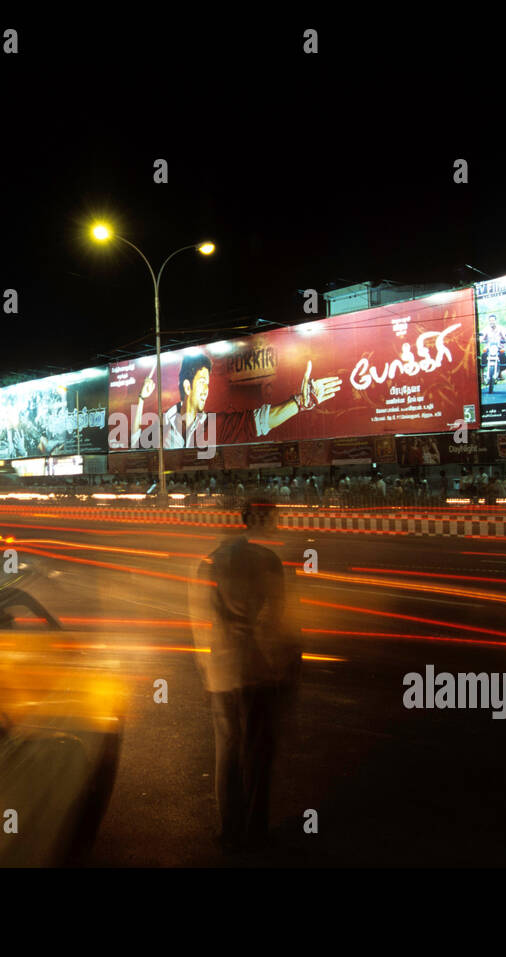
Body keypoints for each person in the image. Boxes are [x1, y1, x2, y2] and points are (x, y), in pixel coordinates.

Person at [192, 497, 301, 853]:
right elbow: (278, 615)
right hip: (258, 671)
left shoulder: (208, 564)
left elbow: (200, 624)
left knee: (227, 752)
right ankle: (255, 831)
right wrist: (282, 661)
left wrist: (209, 667)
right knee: (257, 752)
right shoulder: (267, 561)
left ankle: (229, 830)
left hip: (223, 672)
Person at [131, 352, 342, 450]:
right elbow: (132, 444)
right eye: (202, 382)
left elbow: (259, 420)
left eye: (208, 383)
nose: (207, 389)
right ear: (187, 387)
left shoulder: (216, 425)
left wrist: (298, 403)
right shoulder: (163, 425)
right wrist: (141, 399)